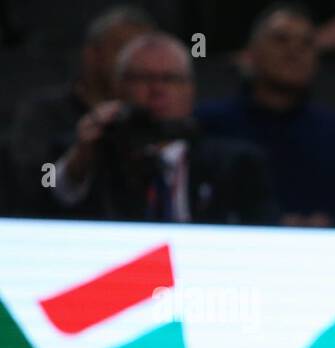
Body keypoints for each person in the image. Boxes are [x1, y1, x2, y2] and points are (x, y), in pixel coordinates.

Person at [49, 32, 276, 225]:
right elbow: (48, 196)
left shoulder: (238, 163)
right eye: (143, 78)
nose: (157, 89)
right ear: (117, 88)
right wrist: (82, 156)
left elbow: (264, 235)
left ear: (191, 91)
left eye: (170, 79)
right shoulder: (85, 152)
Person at [195, 3, 335, 226]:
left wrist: (330, 222)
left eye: (307, 44)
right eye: (281, 40)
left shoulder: (333, 131)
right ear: (250, 53)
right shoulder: (210, 123)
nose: (294, 51)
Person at [7, 5, 153, 215]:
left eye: (142, 54)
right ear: (92, 54)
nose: (134, 63)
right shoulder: (44, 113)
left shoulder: (150, 116)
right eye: (123, 49)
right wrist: (76, 161)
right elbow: (28, 186)